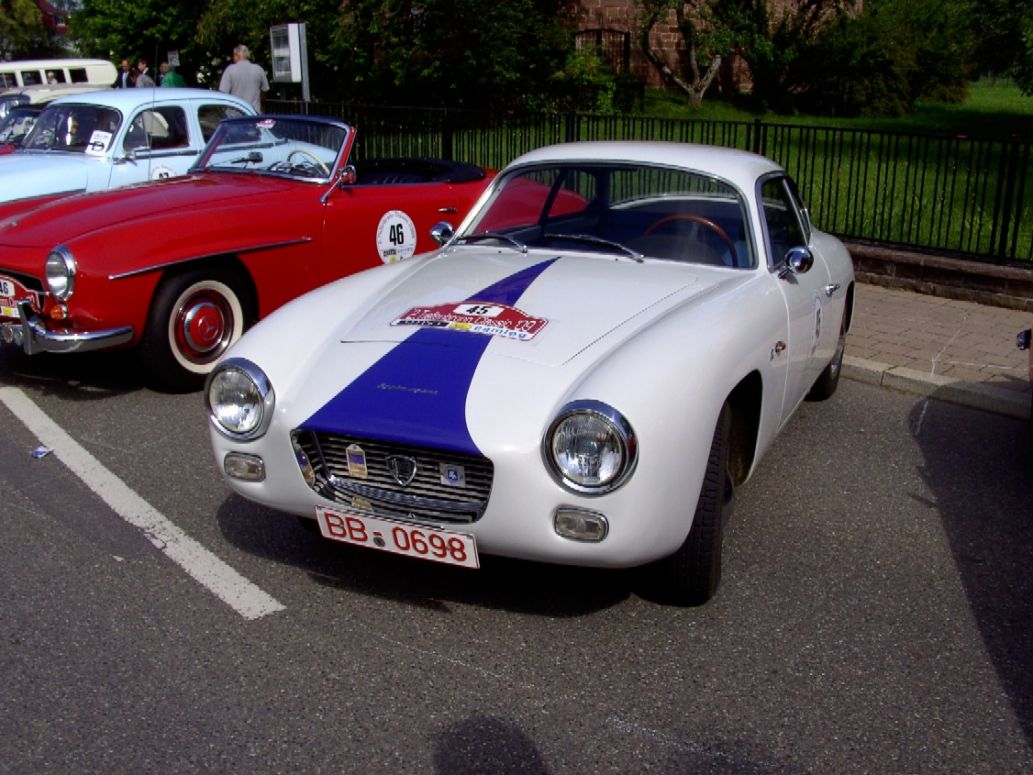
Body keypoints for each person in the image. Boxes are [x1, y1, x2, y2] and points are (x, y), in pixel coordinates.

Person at [218, 44, 269, 112]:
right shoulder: (259, 69)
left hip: (234, 114)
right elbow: (264, 91)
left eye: (234, 55)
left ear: (237, 56)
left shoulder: (230, 70)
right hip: (253, 113)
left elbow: (223, 93)